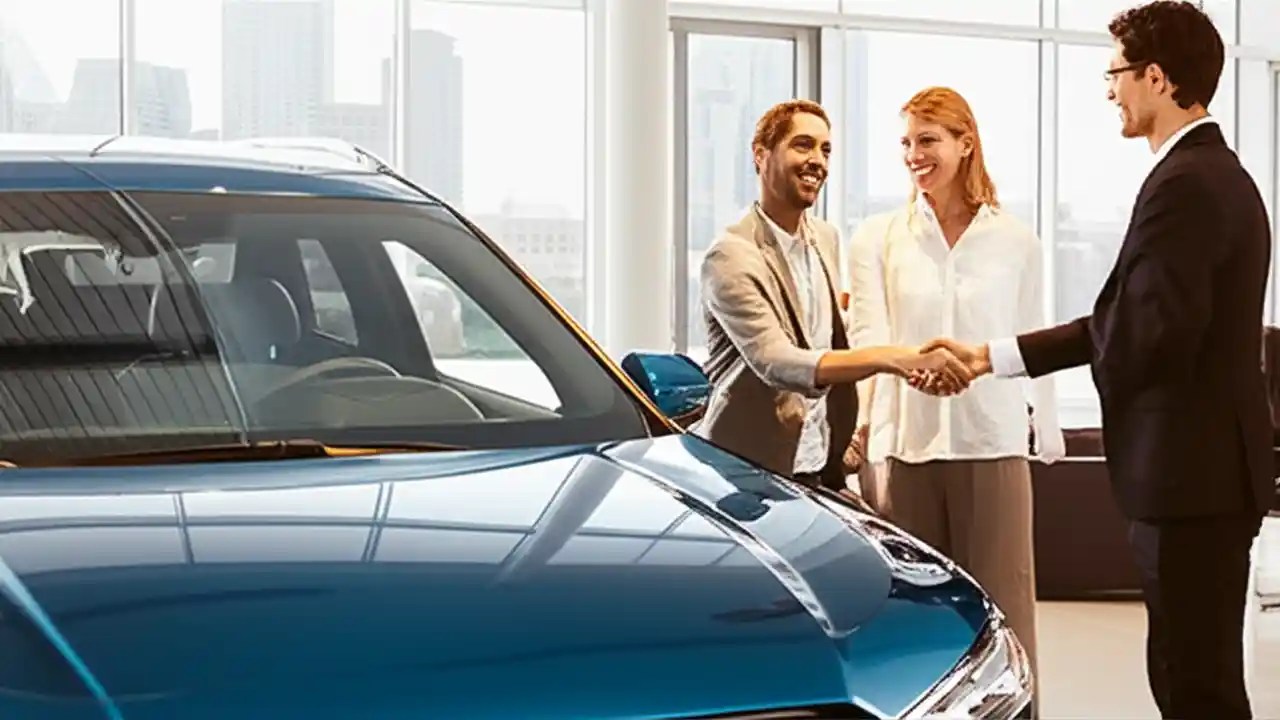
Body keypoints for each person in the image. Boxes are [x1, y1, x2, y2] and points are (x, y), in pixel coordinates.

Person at [917, 3, 1273, 718]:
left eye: (1115, 73)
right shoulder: (1210, 175)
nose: (1108, 90)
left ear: (1156, 76)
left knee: (1192, 683)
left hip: (1189, 480)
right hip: (1205, 479)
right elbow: (1133, 323)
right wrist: (994, 356)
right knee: (1191, 670)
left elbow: (1147, 335)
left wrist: (1002, 359)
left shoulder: (1188, 185)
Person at [846, 86, 1064, 704]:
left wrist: (1044, 434)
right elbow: (870, 337)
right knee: (912, 620)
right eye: (907, 142)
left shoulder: (1016, 240)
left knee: (1006, 609)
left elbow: (1030, 341)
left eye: (929, 140)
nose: (915, 154)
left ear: (965, 143)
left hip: (989, 441)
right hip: (902, 446)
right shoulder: (877, 237)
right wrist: (866, 427)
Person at [692, 99, 970, 492]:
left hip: (819, 466)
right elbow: (779, 362)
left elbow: (827, 337)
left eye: (826, 150)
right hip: (748, 475)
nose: (817, 160)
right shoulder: (731, 254)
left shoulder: (826, 238)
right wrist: (898, 358)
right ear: (761, 154)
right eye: (802, 145)